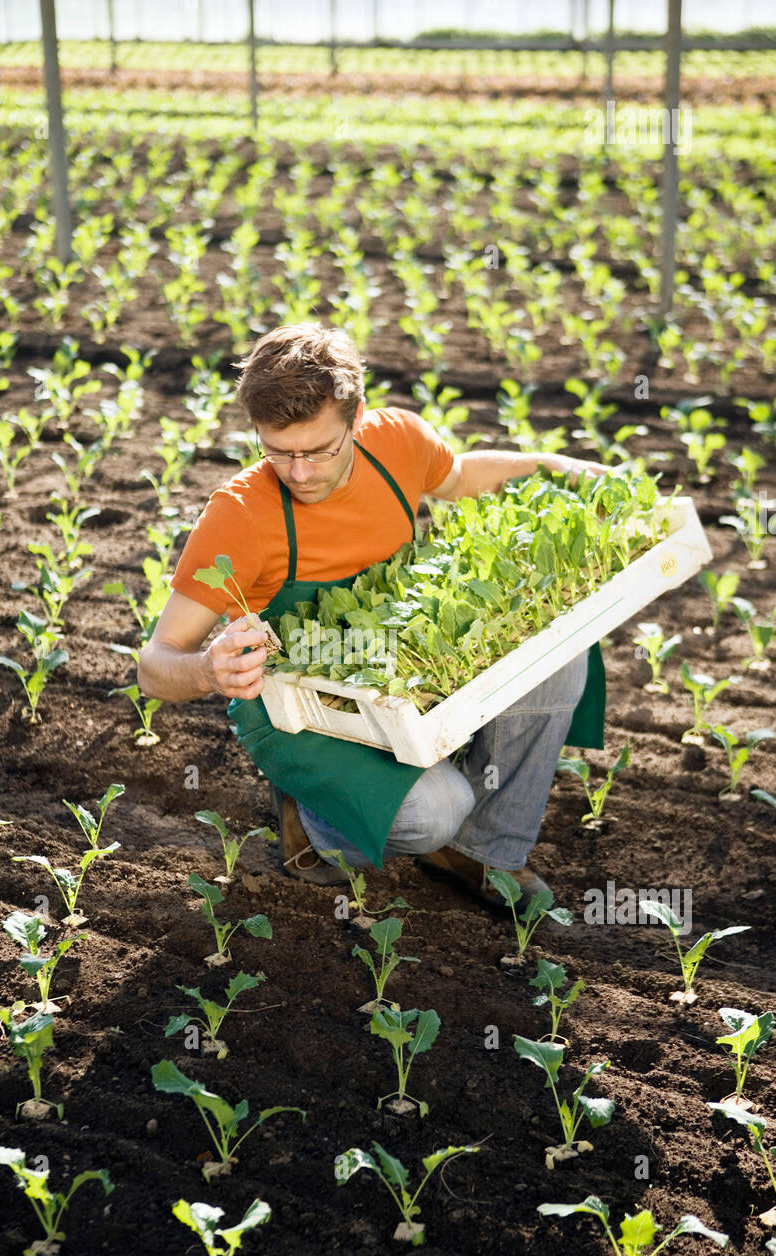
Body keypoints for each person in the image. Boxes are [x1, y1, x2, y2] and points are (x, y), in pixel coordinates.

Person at [137, 323, 609, 909]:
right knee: (436, 811)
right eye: (278, 451)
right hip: (307, 710)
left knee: (558, 656)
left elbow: (460, 477)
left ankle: (486, 853)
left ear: (356, 418)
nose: (300, 471)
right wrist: (209, 669)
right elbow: (154, 666)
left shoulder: (399, 440)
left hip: (396, 666)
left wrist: (557, 466)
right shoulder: (241, 514)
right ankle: (312, 824)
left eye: (319, 450)